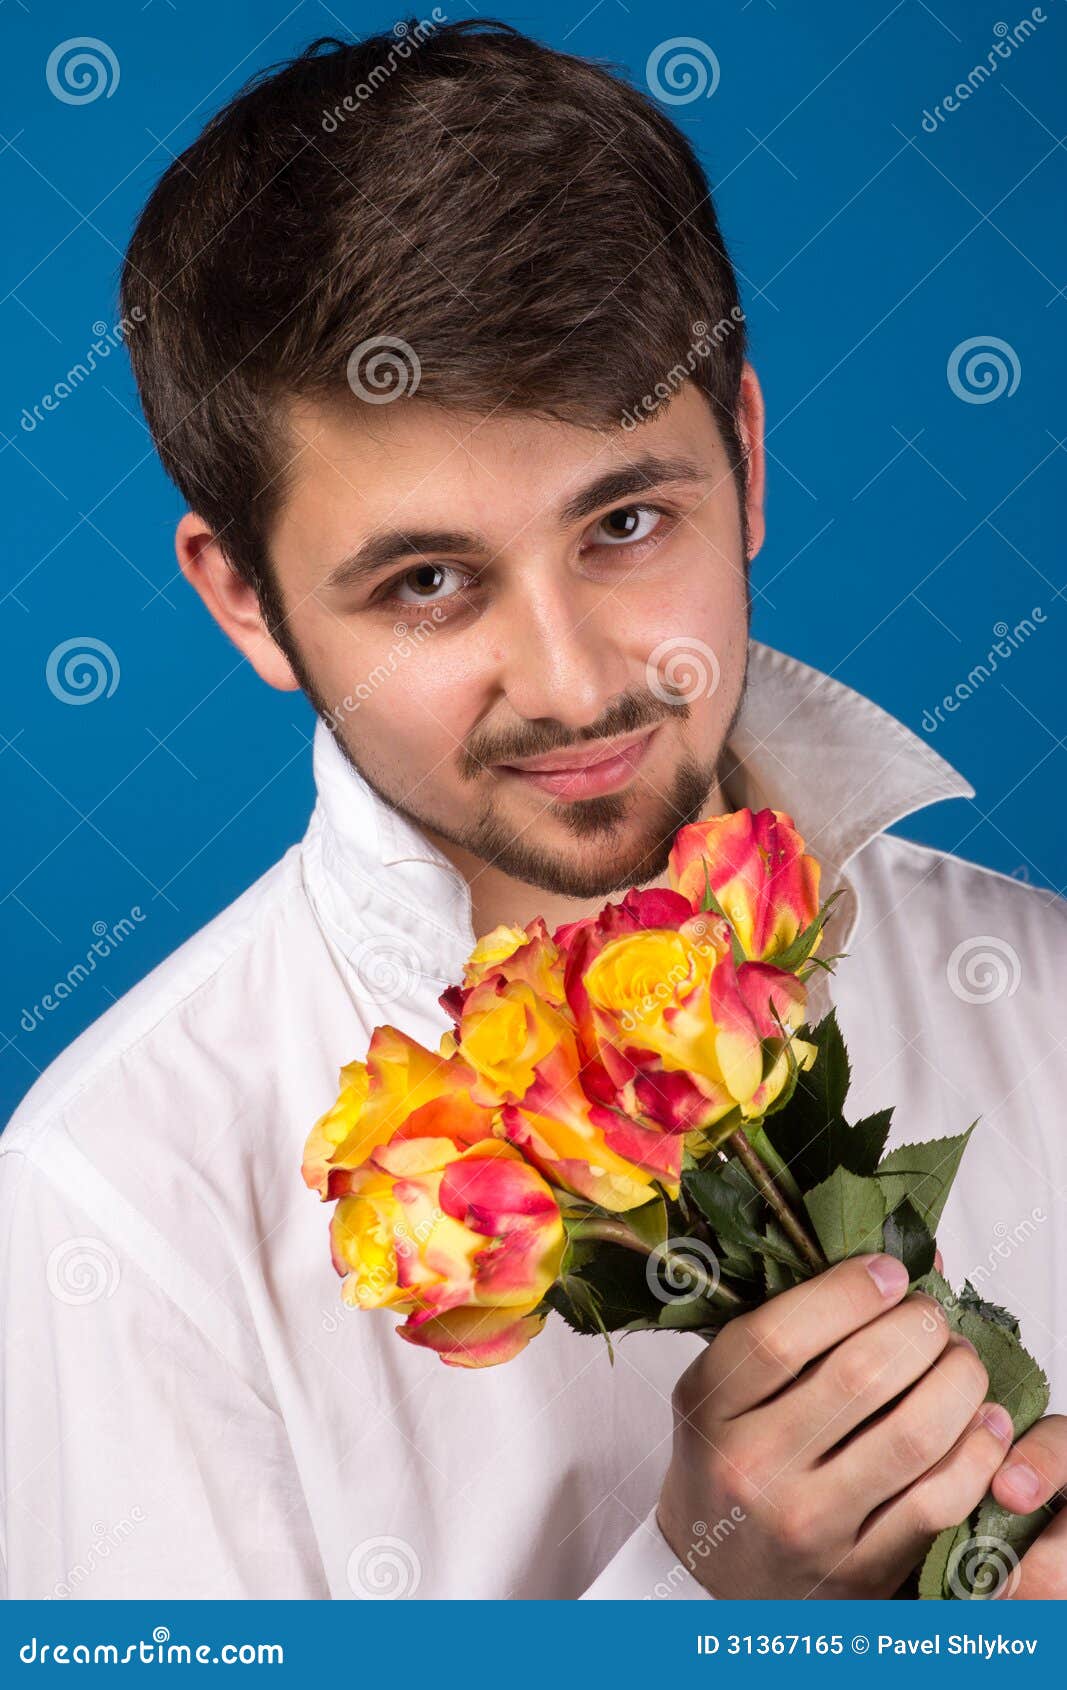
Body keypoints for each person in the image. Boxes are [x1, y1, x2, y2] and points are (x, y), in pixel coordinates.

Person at [1, 19, 1064, 1601]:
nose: (573, 685)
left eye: (625, 522)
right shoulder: (118, 1202)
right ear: (244, 599)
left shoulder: (1046, 995)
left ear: (746, 456)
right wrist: (695, 1607)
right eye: (429, 581)